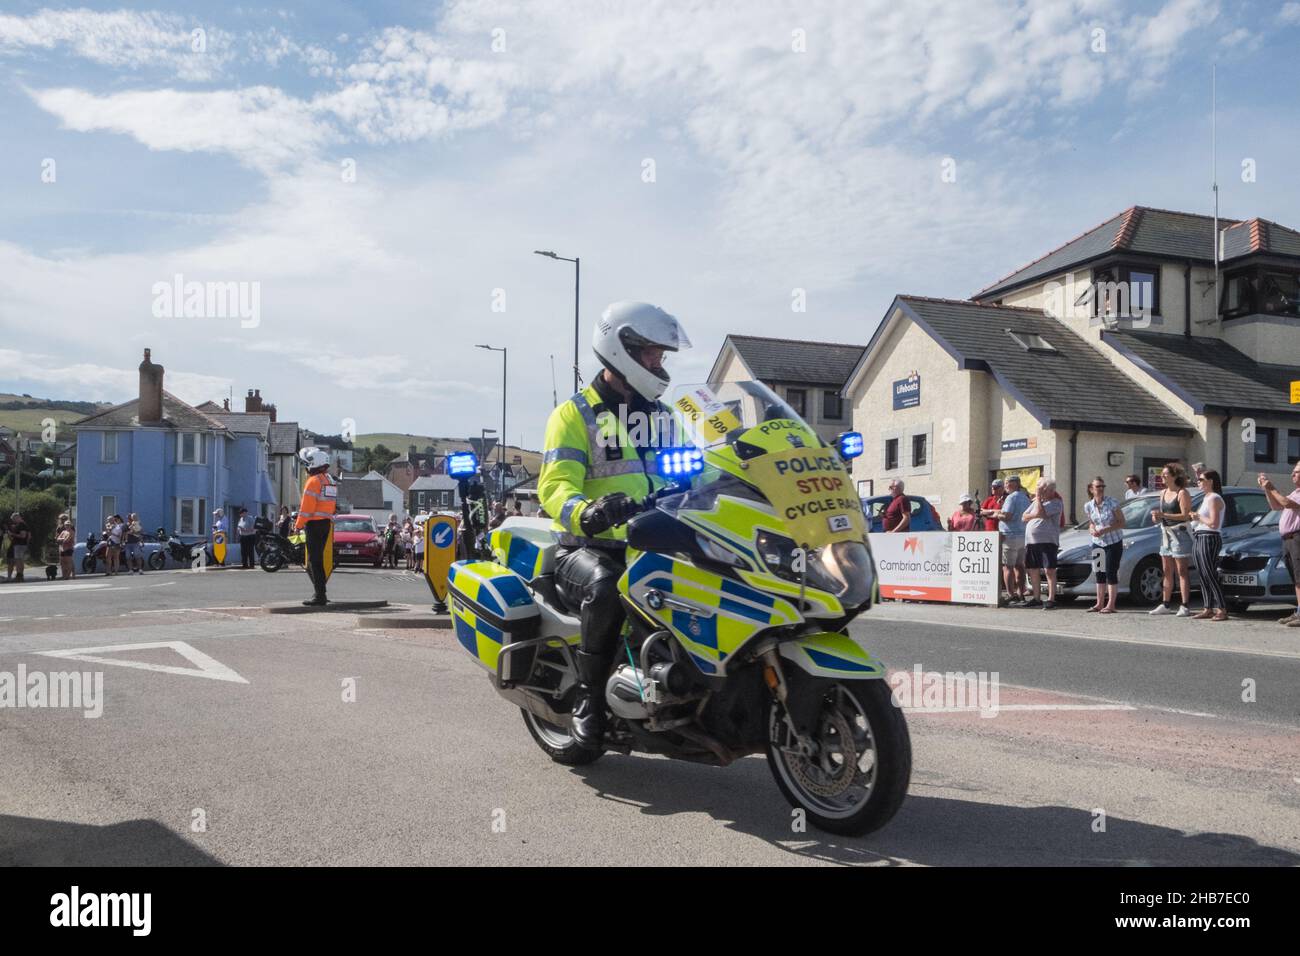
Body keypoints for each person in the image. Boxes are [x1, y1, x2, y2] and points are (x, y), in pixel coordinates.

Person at [538, 300, 689, 748]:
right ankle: (589, 701)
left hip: (655, 541)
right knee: (608, 588)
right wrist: (586, 510)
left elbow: (697, 474)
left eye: (662, 355)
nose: (658, 364)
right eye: (651, 354)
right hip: (588, 546)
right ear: (621, 348)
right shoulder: (574, 415)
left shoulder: (664, 418)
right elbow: (555, 485)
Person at [295, 447, 338, 606]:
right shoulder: (330, 480)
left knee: (314, 561)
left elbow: (306, 508)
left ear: (314, 464)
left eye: (307, 464)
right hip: (326, 523)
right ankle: (321, 593)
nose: (306, 468)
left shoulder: (313, 482)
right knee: (317, 559)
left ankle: (320, 595)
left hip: (314, 524)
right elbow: (331, 506)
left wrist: (298, 525)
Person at [1149, 462, 1194, 617]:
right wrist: (1157, 517)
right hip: (1166, 533)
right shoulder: (1162, 493)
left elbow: (1185, 515)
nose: (1163, 476)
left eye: (1166, 474)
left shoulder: (1182, 493)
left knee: (1182, 571)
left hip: (1180, 534)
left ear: (1174, 476)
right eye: (1163, 474)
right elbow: (1161, 515)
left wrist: (1164, 515)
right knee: (1166, 570)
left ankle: (1185, 605)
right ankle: (1166, 603)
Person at [1258, 464, 1300, 626]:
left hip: (1297, 538)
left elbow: (1286, 503)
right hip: (1288, 540)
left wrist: (1272, 487)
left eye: (1297, 472)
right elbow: (1276, 506)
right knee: (1296, 579)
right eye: (1293, 472)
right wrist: (1267, 489)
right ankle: (1298, 612)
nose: (1292, 475)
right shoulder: (1295, 493)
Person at [1189, 470, 1228, 621]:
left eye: (1201, 479)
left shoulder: (1214, 498)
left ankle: (1222, 608)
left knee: (1209, 573)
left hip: (1209, 537)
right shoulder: (1206, 497)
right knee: (1202, 573)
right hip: (1199, 536)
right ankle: (1207, 607)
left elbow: (1213, 523)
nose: (1198, 482)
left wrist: (1198, 516)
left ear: (1211, 481)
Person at [1083, 477, 1125, 613]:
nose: (1100, 489)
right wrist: (1092, 530)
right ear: (1091, 489)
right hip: (1098, 543)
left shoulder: (1112, 502)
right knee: (1099, 572)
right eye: (1098, 487)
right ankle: (1099, 603)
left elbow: (1122, 522)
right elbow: (1091, 523)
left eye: (1102, 486)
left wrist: (1105, 529)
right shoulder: (1088, 506)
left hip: (1113, 542)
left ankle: (1111, 605)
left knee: (1111, 572)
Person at [1022, 477, 1064, 609]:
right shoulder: (1036, 502)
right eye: (1040, 490)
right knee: (1033, 569)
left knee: (1049, 570)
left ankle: (1051, 598)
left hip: (1048, 541)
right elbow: (1023, 517)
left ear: (1050, 490)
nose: (1041, 492)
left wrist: (1038, 500)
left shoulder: (1056, 502)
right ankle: (1036, 597)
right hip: (1032, 541)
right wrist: (1036, 513)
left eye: (1043, 490)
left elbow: (1041, 512)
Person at [989, 476, 1031, 606]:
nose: (1005, 484)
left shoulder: (1011, 497)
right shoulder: (1025, 497)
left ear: (1015, 484)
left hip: (1010, 536)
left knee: (1007, 567)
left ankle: (1010, 594)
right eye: (1005, 482)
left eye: (1008, 482)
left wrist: (996, 515)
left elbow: (1007, 516)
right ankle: (1020, 593)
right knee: (1020, 566)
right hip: (1023, 536)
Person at [6, 512, 30, 582]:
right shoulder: (20, 524)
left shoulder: (21, 525)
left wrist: (12, 534)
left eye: (13, 519)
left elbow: (23, 535)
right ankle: (20, 576)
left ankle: (19, 576)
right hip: (19, 545)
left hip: (20, 545)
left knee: (19, 561)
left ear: (17, 517)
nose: (13, 520)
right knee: (19, 560)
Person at [56, 515, 76, 580]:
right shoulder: (60, 528)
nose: (63, 519)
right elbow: (57, 538)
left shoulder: (71, 529)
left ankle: (70, 575)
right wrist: (61, 539)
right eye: (62, 518)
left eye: (64, 518)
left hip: (69, 547)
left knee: (69, 561)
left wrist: (61, 539)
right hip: (62, 547)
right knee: (62, 562)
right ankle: (64, 575)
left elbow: (66, 540)